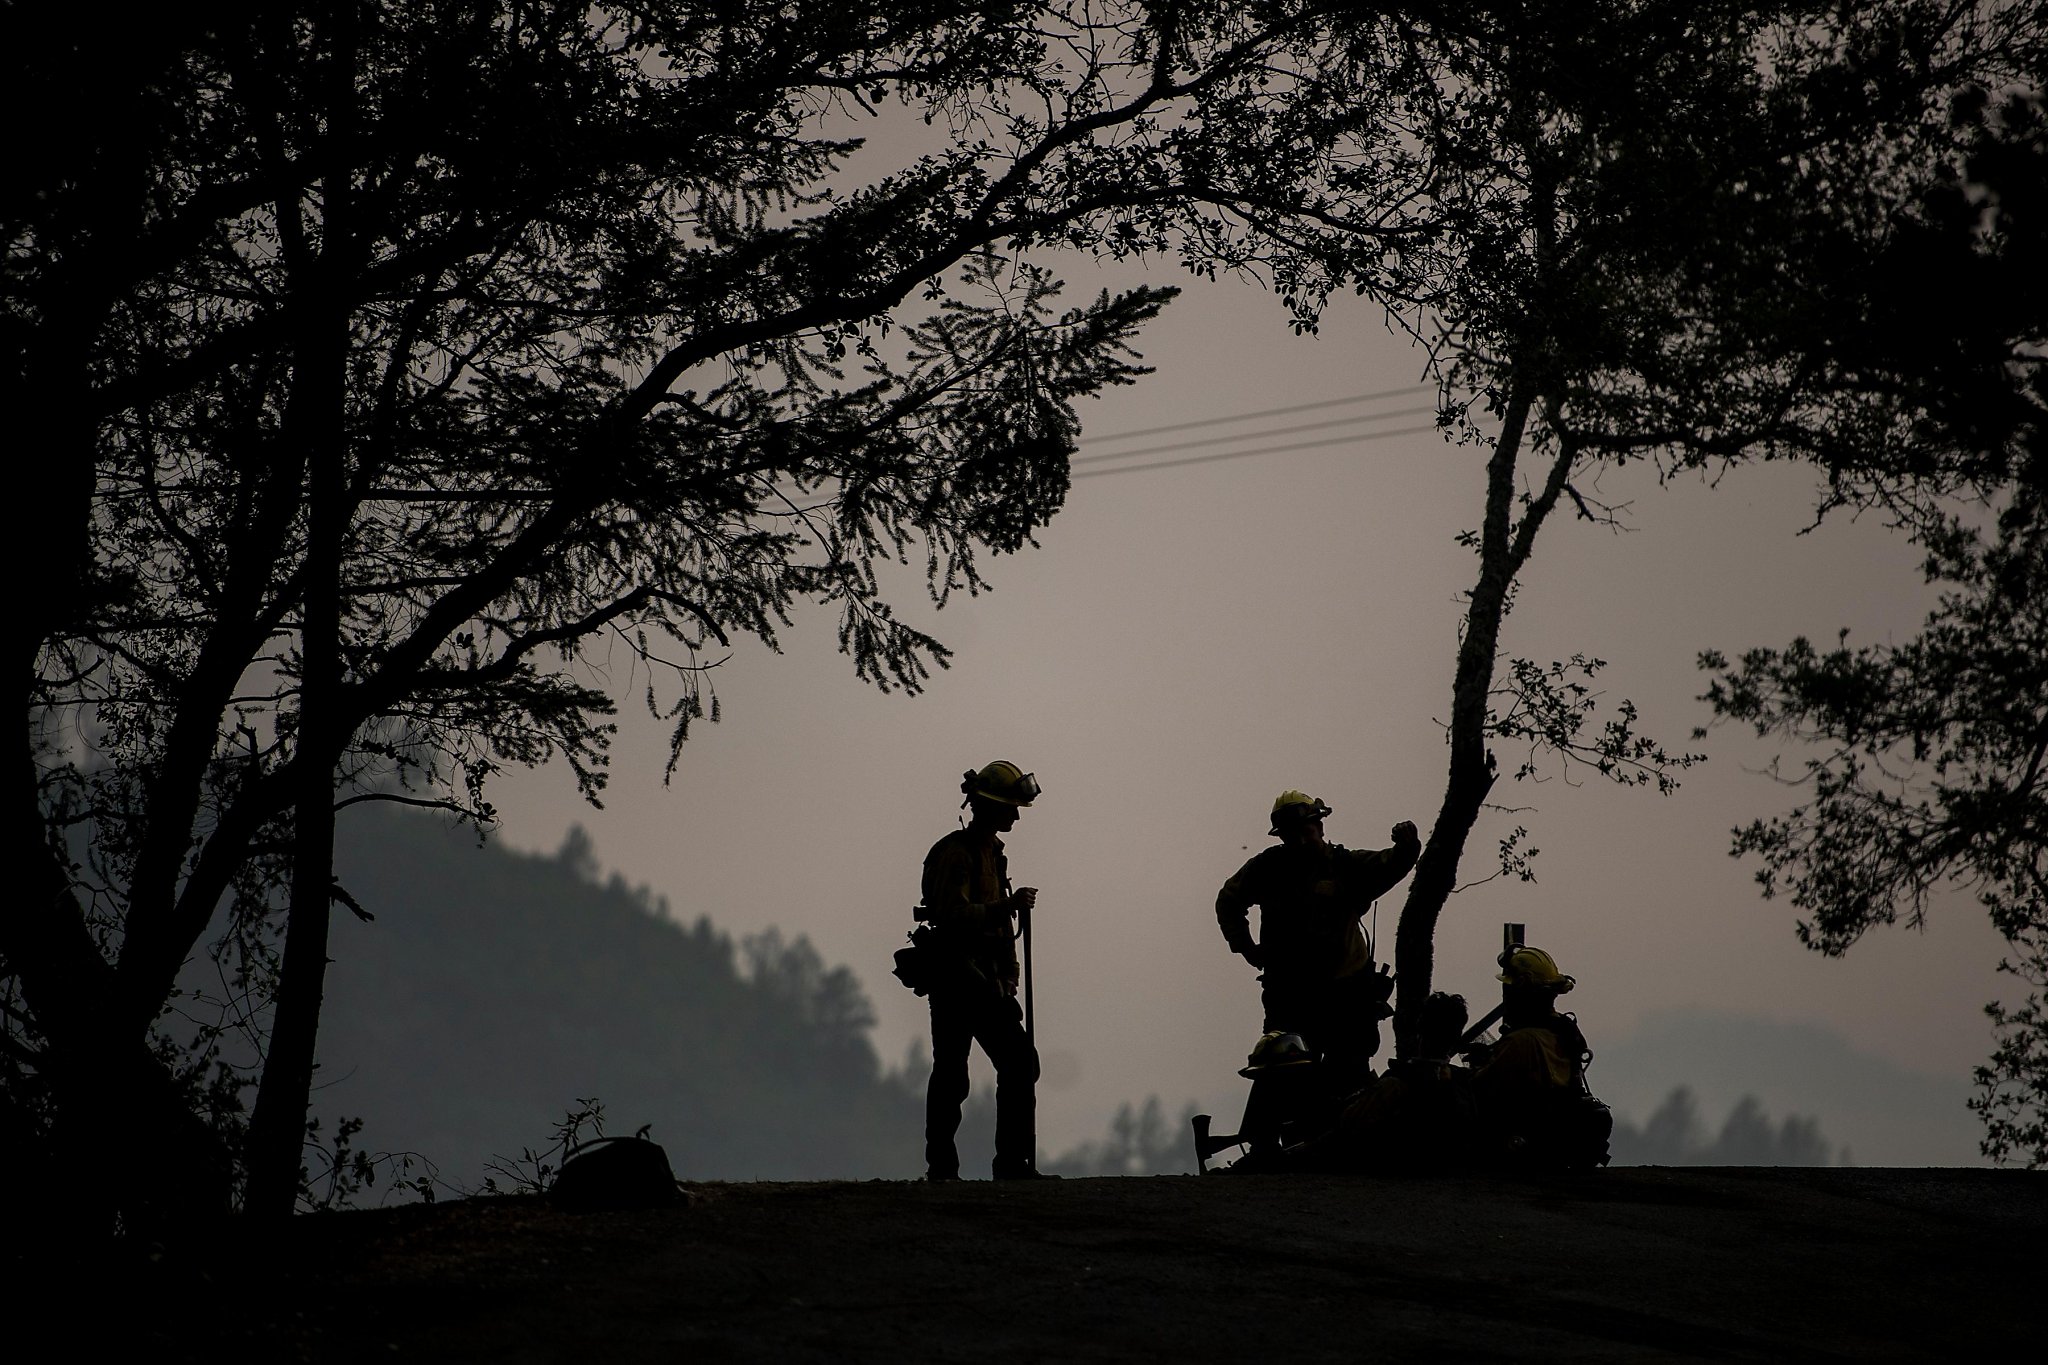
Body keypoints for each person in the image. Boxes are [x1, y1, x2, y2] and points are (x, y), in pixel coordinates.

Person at [1215, 790, 1421, 1093]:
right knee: (1283, 1081)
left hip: (1346, 997)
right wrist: (1246, 948)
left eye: (1305, 832)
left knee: (1349, 1081)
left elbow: (1390, 863)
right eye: (1291, 836)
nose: (1299, 841)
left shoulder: (1346, 866)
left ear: (1320, 828)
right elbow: (1228, 900)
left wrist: (1407, 845)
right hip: (1290, 998)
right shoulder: (1267, 868)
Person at [916, 760, 1054, 1181]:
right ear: (990, 807)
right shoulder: (956, 854)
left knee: (1019, 1064)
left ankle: (1011, 1163)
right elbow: (951, 916)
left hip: (990, 981)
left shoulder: (994, 854)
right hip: (955, 978)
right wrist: (1006, 906)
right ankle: (943, 1168)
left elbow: (1002, 927)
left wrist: (1010, 973)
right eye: (1010, 808)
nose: (1016, 817)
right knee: (952, 1074)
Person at [1466, 945, 1613, 1170]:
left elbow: (1480, 1087)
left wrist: (1472, 1068)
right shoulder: (1564, 1029)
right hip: (1555, 1135)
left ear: (1521, 992)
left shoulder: (1521, 1041)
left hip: (1528, 1142)